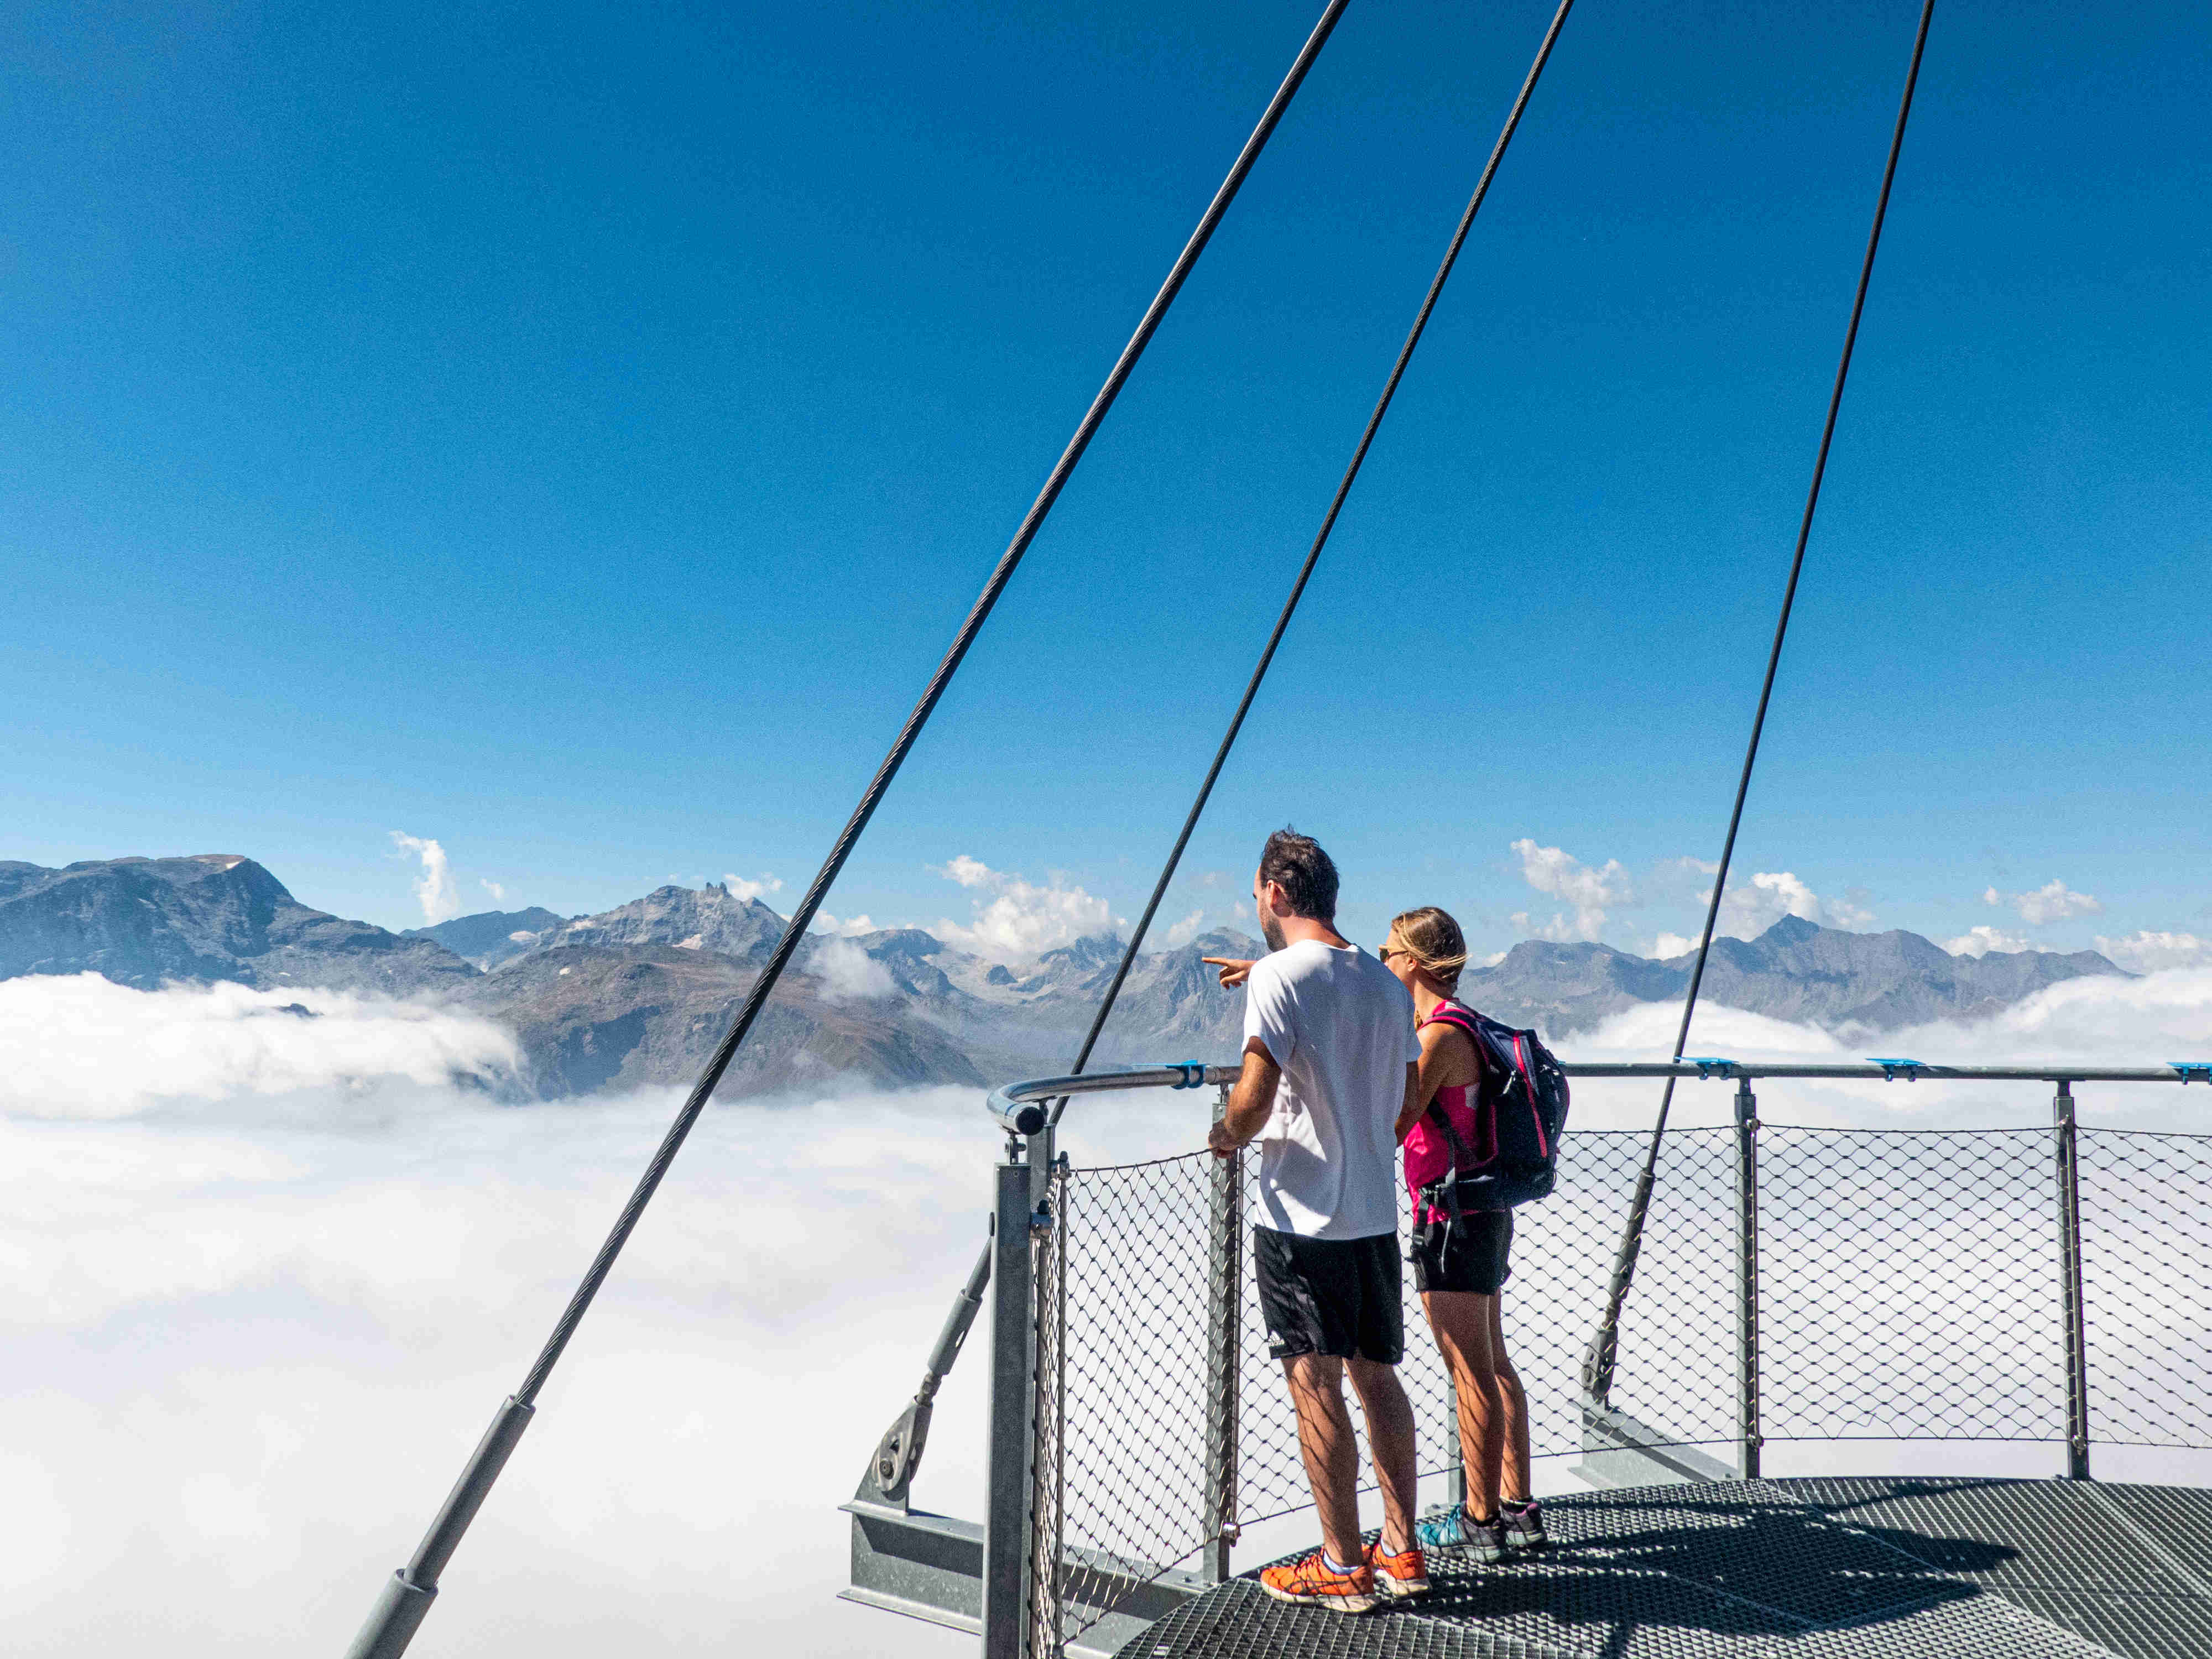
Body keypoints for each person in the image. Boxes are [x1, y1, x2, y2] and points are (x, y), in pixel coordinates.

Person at [1201, 829, 1428, 1614]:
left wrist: (1226, 1137)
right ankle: (1402, 1550)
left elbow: (1255, 1098)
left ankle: (1340, 1565)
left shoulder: (1279, 981)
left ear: (1271, 892)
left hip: (1302, 1217)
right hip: (1372, 1210)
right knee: (1379, 1379)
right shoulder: (1386, 984)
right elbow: (1404, 1101)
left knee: (1315, 1384)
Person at [1379, 905, 1546, 1561]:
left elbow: (1392, 1124)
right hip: (1483, 1210)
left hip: (1449, 1221)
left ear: (1413, 963)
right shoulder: (1464, 1026)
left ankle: (1480, 1520)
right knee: (1492, 1364)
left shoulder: (1438, 1040)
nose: (1384, 963)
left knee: (1469, 1371)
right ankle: (1517, 1505)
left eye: (1389, 953)